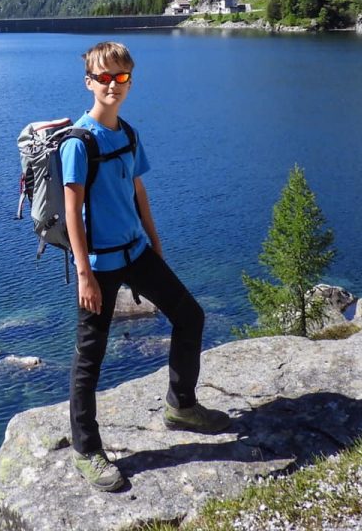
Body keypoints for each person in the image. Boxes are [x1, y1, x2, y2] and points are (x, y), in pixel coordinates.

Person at [61, 40, 230, 492]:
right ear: (89, 82)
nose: (113, 86)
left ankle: (181, 405)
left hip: (136, 252)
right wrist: (84, 274)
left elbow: (139, 193)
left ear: (130, 81)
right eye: (104, 78)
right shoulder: (79, 142)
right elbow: (72, 213)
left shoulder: (128, 134)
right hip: (99, 264)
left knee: (189, 314)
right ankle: (86, 449)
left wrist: (155, 245)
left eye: (121, 78)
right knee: (90, 357)